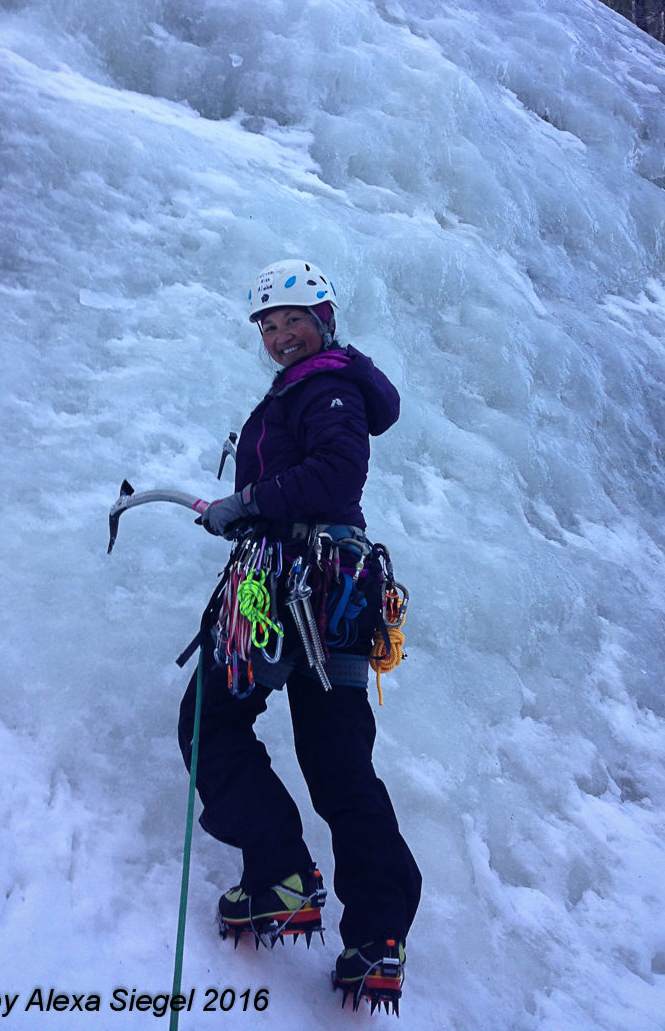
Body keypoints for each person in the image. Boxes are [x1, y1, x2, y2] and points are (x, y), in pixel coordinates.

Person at [177, 258, 422, 1013]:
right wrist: (249, 506)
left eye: (292, 319)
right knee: (339, 762)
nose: (280, 335)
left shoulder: (327, 386)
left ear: (326, 319)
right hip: (336, 598)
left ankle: (281, 875)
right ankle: (378, 938)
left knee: (209, 720)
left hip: (291, 589)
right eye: (269, 325)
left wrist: (244, 501)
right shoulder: (323, 384)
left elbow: (331, 480)